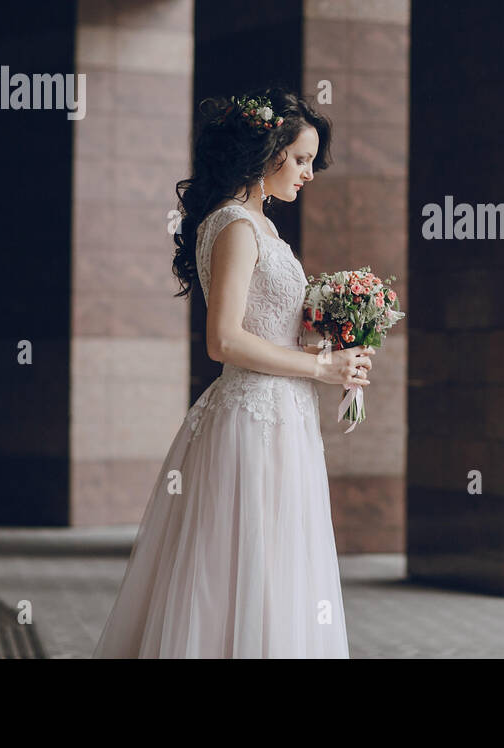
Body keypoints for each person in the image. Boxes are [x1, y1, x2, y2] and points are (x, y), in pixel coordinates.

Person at [93, 85, 373, 658]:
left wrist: (336, 341)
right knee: (242, 567)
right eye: (300, 159)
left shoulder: (259, 226)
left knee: (274, 568)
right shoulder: (237, 227)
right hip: (254, 422)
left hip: (282, 417)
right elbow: (222, 340)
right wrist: (320, 366)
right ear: (267, 153)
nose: (309, 173)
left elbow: (263, 327)